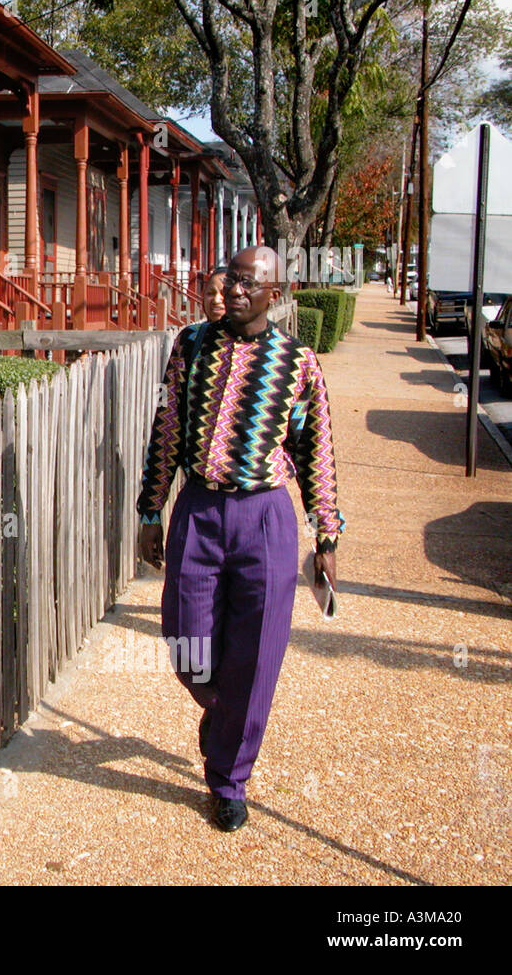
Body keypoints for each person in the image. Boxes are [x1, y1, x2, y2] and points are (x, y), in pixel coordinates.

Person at [137, 246, 342, 832]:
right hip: (199, 511)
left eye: (247, 282)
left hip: (266, 520)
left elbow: (317, 452)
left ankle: (228, 779)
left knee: (256, 657)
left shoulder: (297, 365)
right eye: (228, 277)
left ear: (273, 293)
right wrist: (152, 510)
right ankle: (226, 712)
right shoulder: (191, 346)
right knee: (186, 645)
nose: (231, 289)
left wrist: (326, 533)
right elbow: (168, 430)